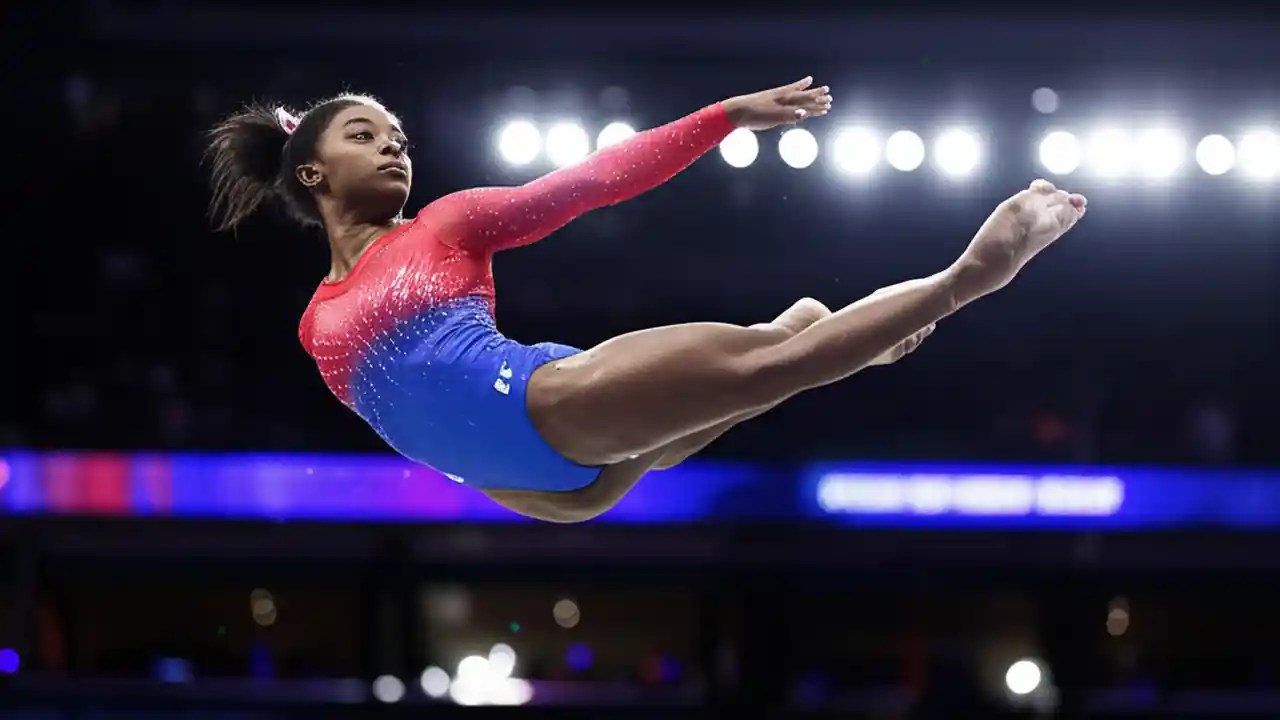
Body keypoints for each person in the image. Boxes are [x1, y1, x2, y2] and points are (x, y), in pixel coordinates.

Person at [205, 76, 1087, 523]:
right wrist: (530, 484)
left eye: (400, 136)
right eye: (366, 135)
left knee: (783, 364)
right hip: (550, 492)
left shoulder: (447, 224)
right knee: (767, 372)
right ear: (312, 172)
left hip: (552, 405)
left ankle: (971, 275)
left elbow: (590, 182)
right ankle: (821, 336)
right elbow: (421, 433)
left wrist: (721, 118)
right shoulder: (314, 325)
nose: (394, 148)